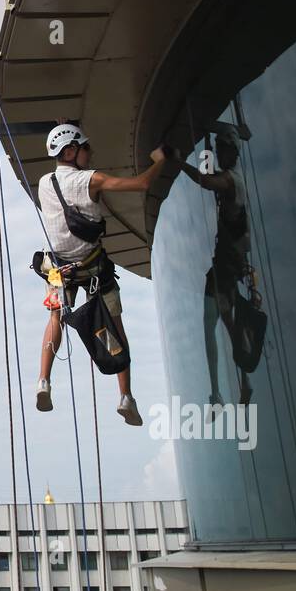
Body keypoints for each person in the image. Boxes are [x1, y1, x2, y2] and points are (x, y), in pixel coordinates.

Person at [34, 124, 169, 425]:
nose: (90, 152)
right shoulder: (91, 180)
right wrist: (160, 161)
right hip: (93, 267)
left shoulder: (44, 183)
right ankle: (125, 396)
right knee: (113, 326)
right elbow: (142, 184)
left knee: (55, 319)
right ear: (70, 151)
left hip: (58, 269)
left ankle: (43, 380)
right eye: (85, 147)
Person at [176, 125, 254, 408]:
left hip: (226, 263)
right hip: (226, 262)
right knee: (218, 321)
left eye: (224, 150)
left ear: (232, 152)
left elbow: (207, 182)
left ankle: (225, 389)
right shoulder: (234, 178)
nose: (220, 154)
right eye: (219, 150)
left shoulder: (231, 180)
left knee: (219, 320)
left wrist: (179, 163)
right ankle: (226, 388)